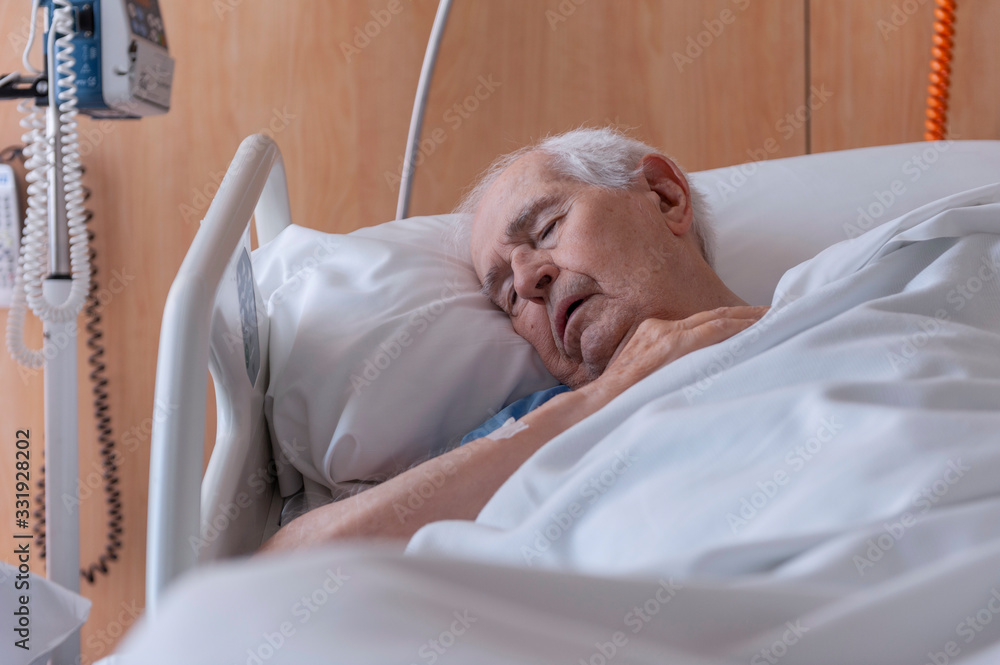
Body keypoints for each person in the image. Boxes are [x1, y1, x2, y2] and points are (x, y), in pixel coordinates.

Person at [257, 128, 768, 554]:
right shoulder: (533, 430)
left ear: (663, 196)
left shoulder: (837, 292)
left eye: (546, 230)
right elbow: (283, 569)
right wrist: (611, 396)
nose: (527, 282)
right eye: (507, 297)